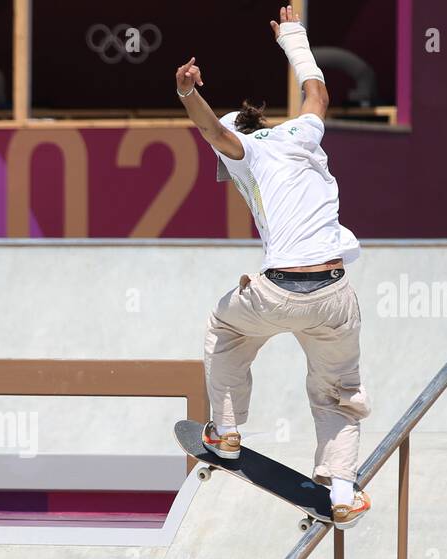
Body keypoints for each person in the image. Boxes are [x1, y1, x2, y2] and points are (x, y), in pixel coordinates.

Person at [176, 5, 370, 528]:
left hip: (279, 290)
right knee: (339, 390)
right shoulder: (302, 134)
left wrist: (189, 95)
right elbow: (318, 93)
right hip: (335, 292)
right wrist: (293, 37)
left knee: (225, 325)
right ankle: (345, 490)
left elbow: (218, 136)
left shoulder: (247, 150)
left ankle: (227, 428)